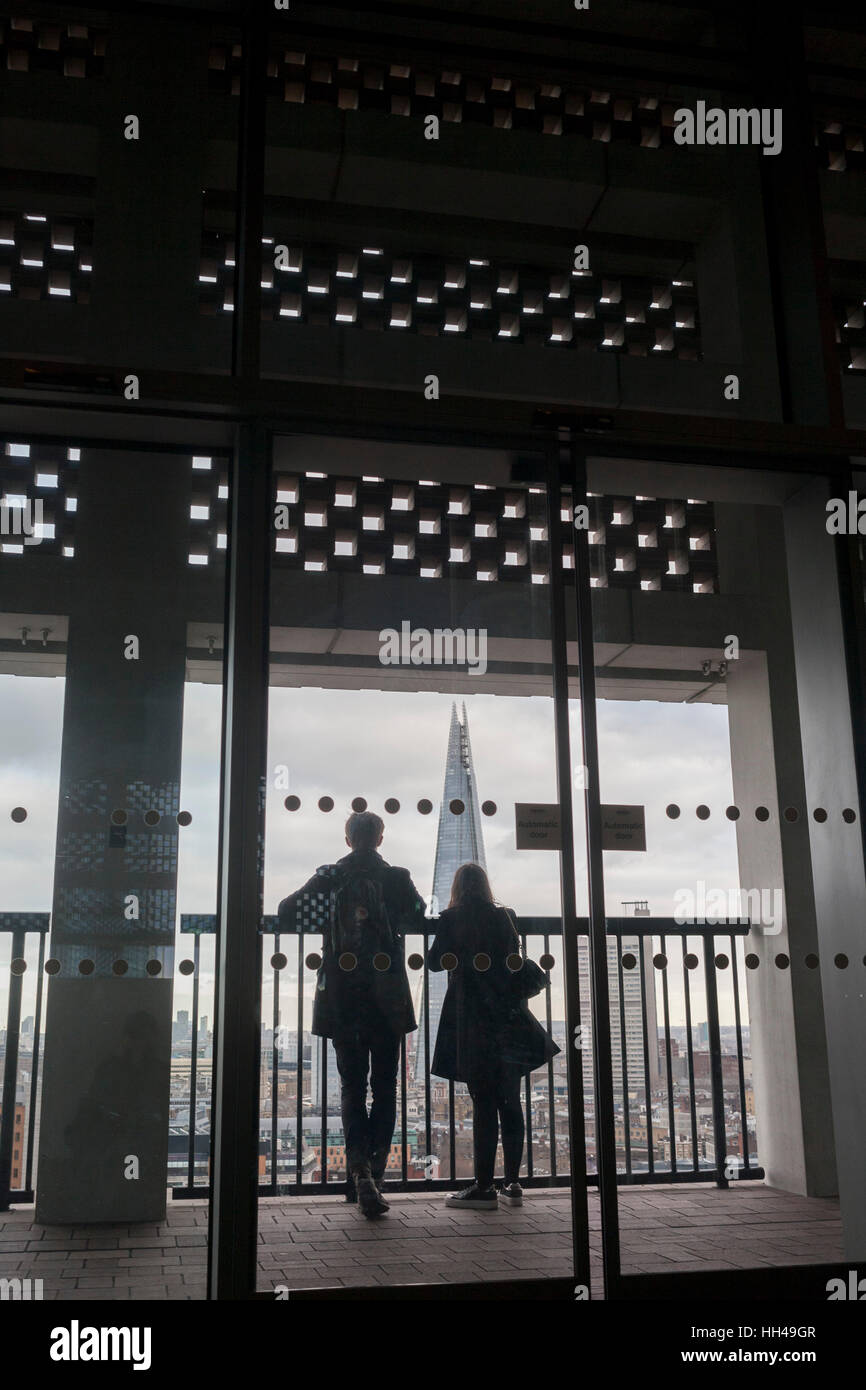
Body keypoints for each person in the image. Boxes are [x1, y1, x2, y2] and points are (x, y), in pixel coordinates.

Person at [277, 810, 426, 1218]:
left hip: (343, 996)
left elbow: (286, 911)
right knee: (385, 1086)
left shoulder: (330, 876)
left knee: (352, 1087)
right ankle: (374, 1175)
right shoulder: (396, 877)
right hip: (387, 995)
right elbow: (418, 915)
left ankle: (358, 1173)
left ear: (348, 839)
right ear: (380, 838)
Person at [429, 863, 559, 1209]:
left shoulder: (450, 919)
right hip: (507, 1018)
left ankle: (483, 1187)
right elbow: (513, 961)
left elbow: (432, 962)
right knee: (510, 1100)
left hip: (470, 1018)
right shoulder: (504, 916)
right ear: (486, 887)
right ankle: (513, 1184)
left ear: (457, 888)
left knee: (483, 1103)